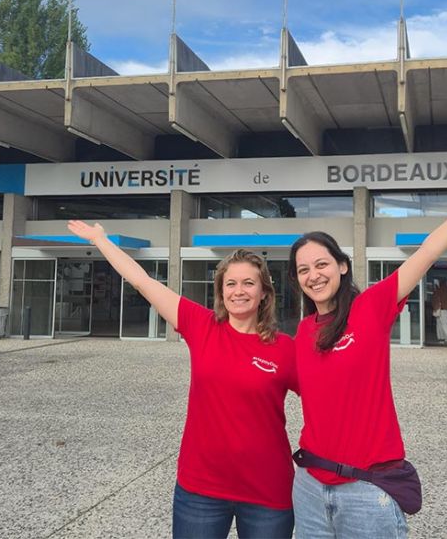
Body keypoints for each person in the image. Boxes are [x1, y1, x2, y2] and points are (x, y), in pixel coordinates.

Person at [288, 150, 447, 538]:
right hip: (310, 486)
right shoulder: (303, 332)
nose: (313, 275)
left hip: (366, 490)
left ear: (342, 266)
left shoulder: (369, 308)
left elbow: (429, 250)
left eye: (321, 264)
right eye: (303, 270)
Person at [67, 220, 298, 539]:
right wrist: (100, 240)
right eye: (230, 283)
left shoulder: (285, 348)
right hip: (201, 490)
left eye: (248, 283)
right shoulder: (202, 326)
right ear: (221, 292)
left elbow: (326, 400)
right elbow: (142, 281)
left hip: (268, 492)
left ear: (264, 293)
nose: (239, 291)